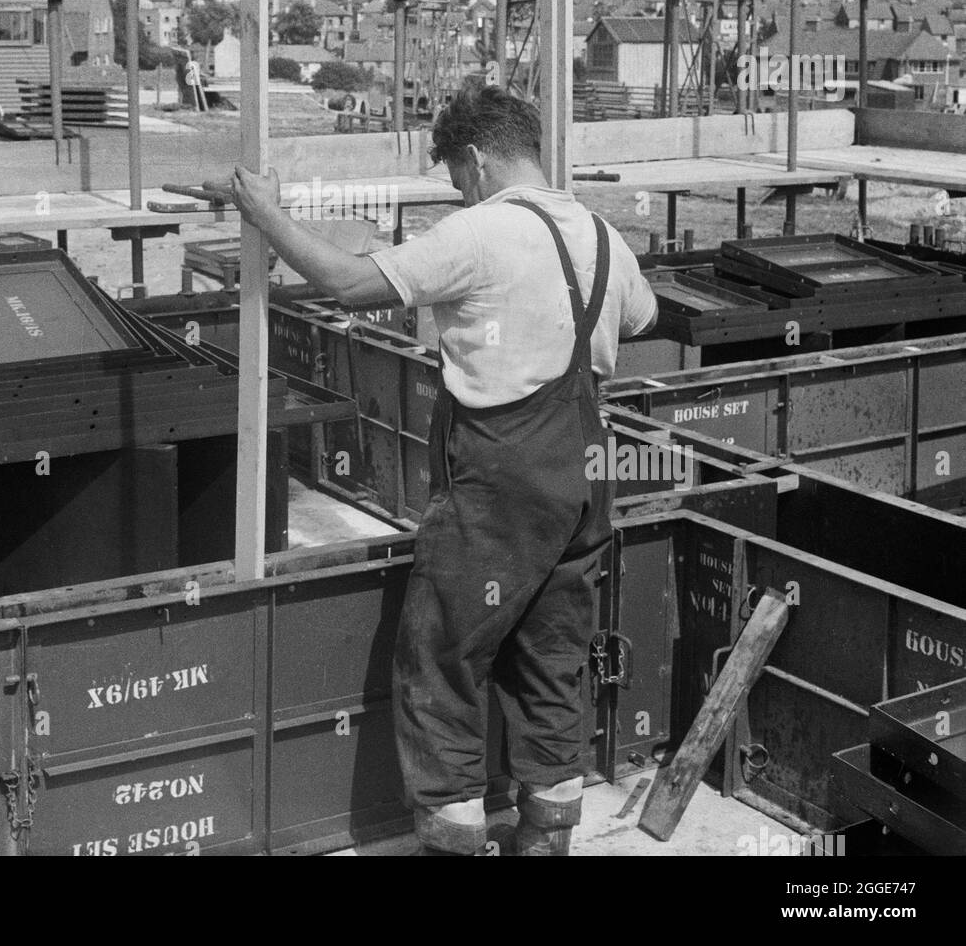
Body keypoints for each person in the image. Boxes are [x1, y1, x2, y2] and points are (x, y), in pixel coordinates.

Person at [228, 81, 658, 856]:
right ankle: (547, 837)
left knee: (442, 653)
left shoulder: (481, 232)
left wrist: (266, 215)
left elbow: (354, 284)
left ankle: (454, 840)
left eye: (456, 177)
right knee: (554, 655)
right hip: (587, 472)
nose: (457, 191)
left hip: (504, 477)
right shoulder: (600, 231)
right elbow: (642, 316)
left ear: (477, 159)